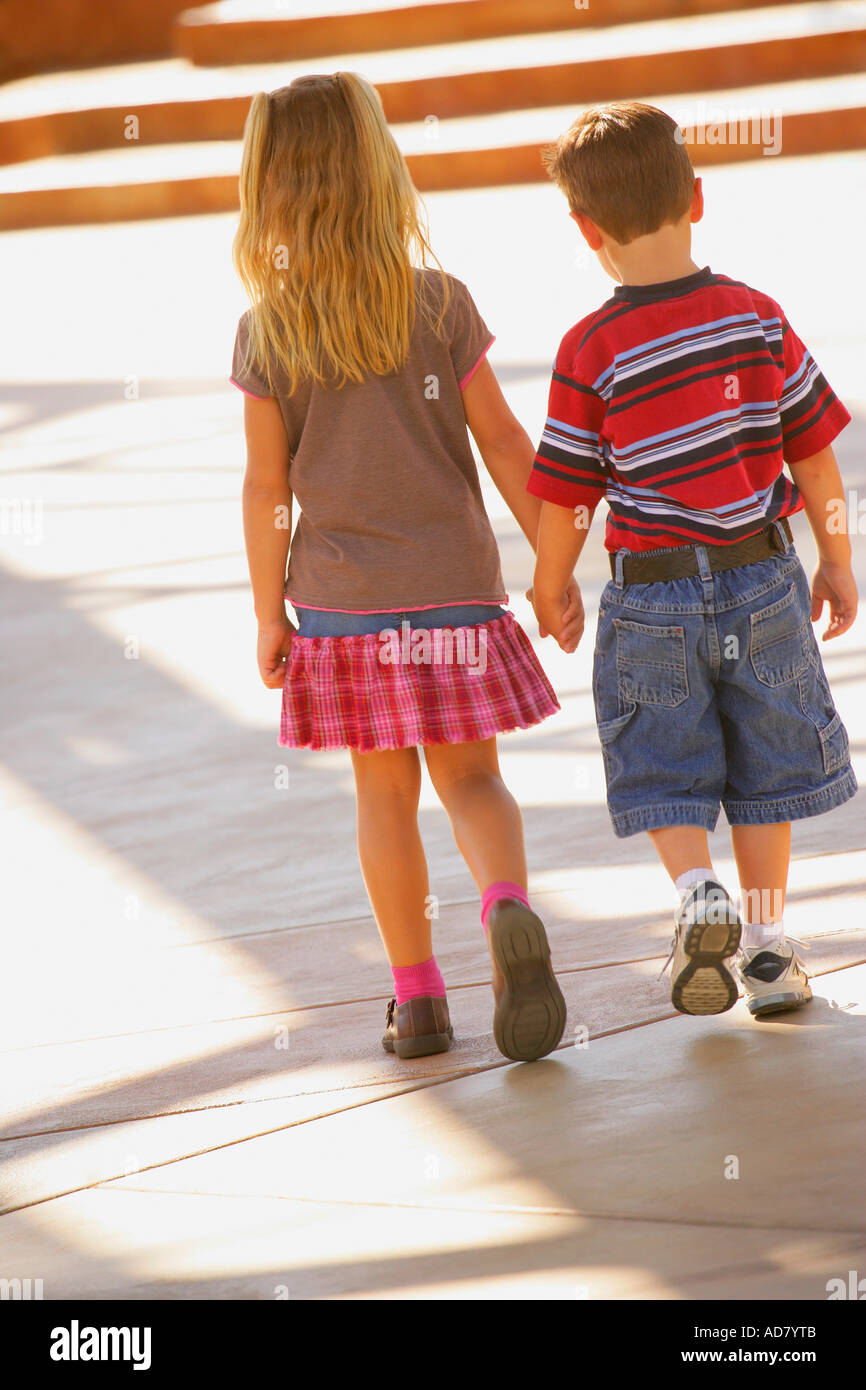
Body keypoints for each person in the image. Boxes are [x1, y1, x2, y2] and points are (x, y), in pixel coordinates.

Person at [231, 72, 574, 1062]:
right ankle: (504, 907)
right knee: (471, 779)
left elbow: (266, 492)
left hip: (342, 607)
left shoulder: (267, 332)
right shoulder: (439, 303)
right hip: (455, 591)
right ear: (380, 172)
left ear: (269, 193)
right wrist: (551, 565)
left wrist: (268, 614)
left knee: (382, 798)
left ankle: (417, 998)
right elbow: (510, 446)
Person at [529, 101, 857, 1018]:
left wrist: (550, 584)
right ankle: (765, 948)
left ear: (585, 229)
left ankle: (693, 893)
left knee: (663, 761)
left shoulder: (590, 348)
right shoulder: (755, 315)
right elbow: (816, 453)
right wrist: (837, 555)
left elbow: (567, 493)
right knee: (767, 769)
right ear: (698, 199)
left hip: (653, 596)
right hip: (762, 579)